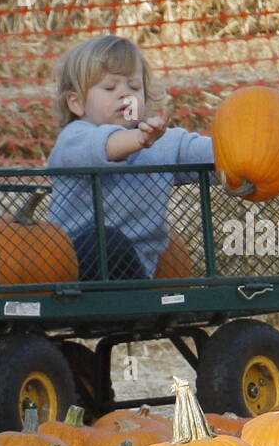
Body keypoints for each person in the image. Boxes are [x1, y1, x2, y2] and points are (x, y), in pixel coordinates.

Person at [46, 35, 214, 279]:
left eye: (134, 87)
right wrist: (139, 140)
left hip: (138, 271)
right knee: (106, 240)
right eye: (110, 88)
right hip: (72, 267)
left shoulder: (162, 141)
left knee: (126, 247)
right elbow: (103, 147)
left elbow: (209, 154)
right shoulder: (74, 139)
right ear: (77, 103)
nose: (125, 94)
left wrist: (245, 152)